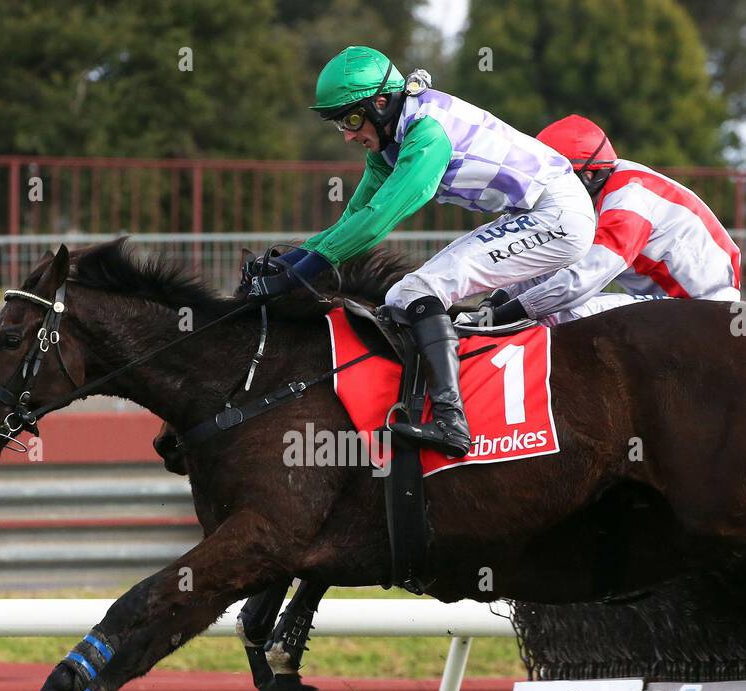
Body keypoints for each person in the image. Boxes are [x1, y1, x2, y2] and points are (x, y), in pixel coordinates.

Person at [246, 46, 594, 457]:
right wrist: (295, 261)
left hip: (556, 215)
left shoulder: (427, 132)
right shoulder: (389, 140)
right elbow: (355, 216)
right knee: (404, 295)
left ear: (381, 103)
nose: (347, 134)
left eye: (352, 119)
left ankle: (452, 424)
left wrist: (301, 273)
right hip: (533, 211)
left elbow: (379, 221)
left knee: (416, 293)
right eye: (339, 122)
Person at [485, 115, 742, 327]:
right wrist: (499, 298)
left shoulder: (628, 198)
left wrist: (510, 311)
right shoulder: (597, 189)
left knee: (556, 314)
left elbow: (582, 280)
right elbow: (548, 260)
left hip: (703, 309)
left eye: (554, 178)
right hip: (670, 301)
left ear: (589, 175)